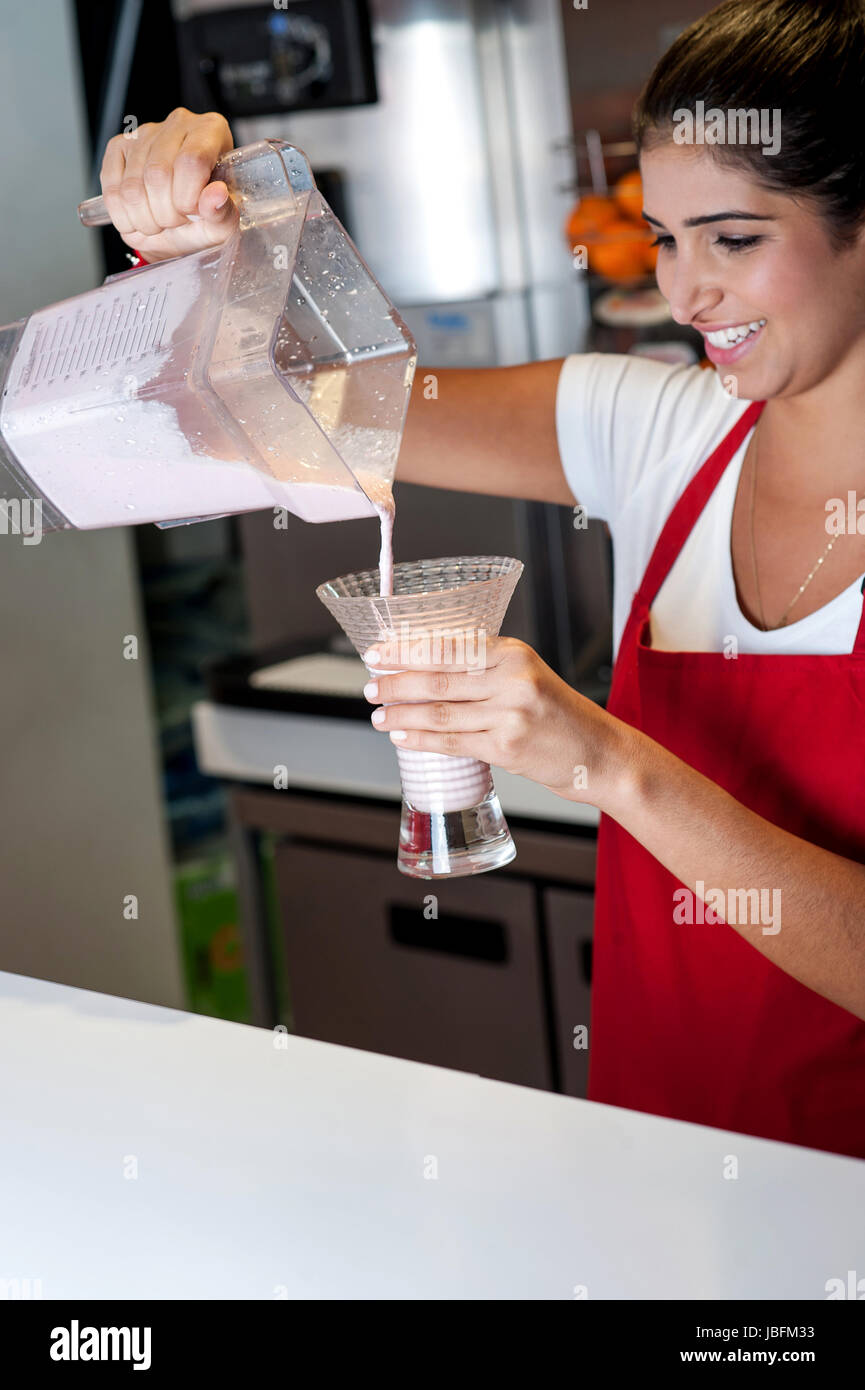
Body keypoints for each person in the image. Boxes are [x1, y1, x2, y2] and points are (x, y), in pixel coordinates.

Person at [100, 0, 865, 1159]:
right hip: (662, 1160)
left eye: (733, 239)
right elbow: (330, 407)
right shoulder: (656, 429)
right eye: (661, 238)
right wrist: (231, 225)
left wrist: (601, 759)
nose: (682, 294)